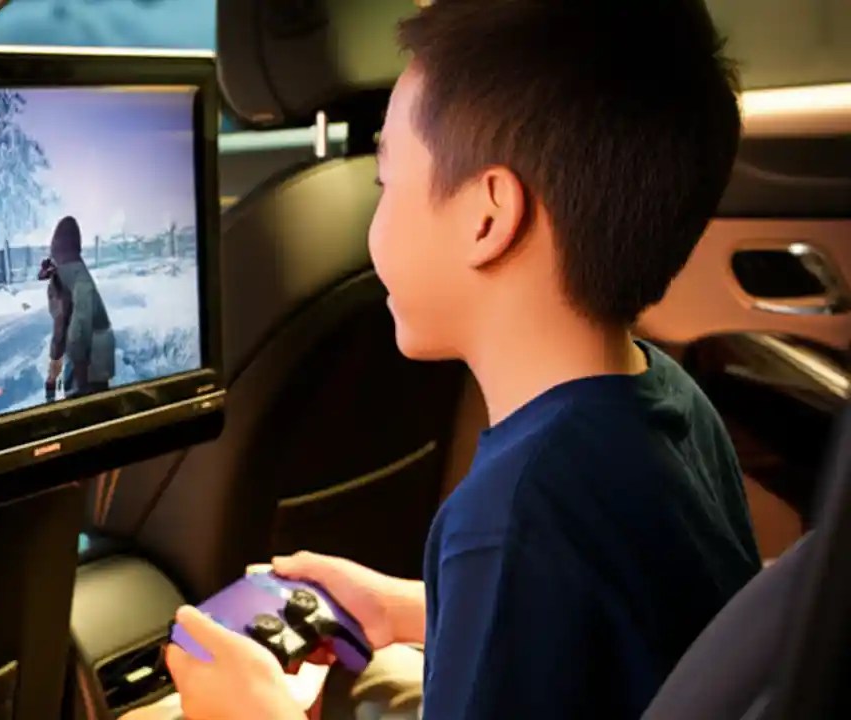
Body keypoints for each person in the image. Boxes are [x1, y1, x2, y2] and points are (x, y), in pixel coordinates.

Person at [123, 1, 762, 718]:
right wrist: (404, 607)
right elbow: (618, 629)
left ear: (487, 218)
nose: (376, 215)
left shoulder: (515, 510)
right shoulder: (669, 404)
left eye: (385, 183)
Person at [43, 215, 115, 399]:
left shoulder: (67, 279)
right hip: (95, 360)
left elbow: (67, 330)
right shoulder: (79, 275)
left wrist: (57, 377)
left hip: (85, 365)